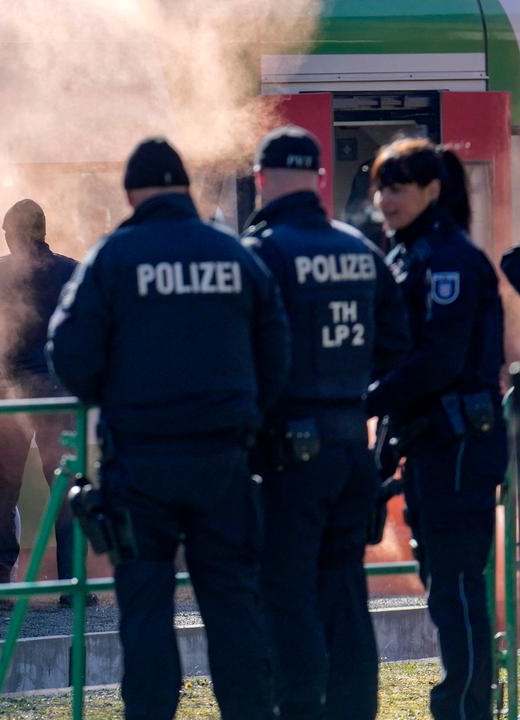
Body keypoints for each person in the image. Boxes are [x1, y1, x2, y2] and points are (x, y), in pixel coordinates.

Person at [49, 137, 291, 719]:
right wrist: (244, 412)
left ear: (131, 194)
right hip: (224, 462)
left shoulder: (113, 257)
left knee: (146, 614)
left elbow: (69, 355)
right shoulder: (234, 255)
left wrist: (116, 390)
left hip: (140, 465)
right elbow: (278, 352)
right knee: (234, 608)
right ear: (185, 188)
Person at [242, 126, 411, 719]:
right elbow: (397, 348)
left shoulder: (260, 254)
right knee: (344, 596)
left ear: (261, 180)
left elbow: (242, 358)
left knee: (286, 595)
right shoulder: (361, 251)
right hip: (349, 451)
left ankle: (299, 710)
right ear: (318, 179)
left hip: (286, 457)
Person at [365, 138, 505, 720]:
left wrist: (367, 398)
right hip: (431, 442)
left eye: (397, 188)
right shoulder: (411, 253)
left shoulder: (447, 258)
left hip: (459, 443)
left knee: (457, 586)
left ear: (431, 190)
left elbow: (438, 361)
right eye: (380, 187)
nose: (385, 199)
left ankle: (465, 709)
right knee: (444, 585)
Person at [0, 199, 78, 585]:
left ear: (12, 232)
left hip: (10, 388)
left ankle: (0, 578)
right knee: (64, 484)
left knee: (4, 486)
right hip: (56, 387)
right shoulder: (71, 271)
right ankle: (72, 580)